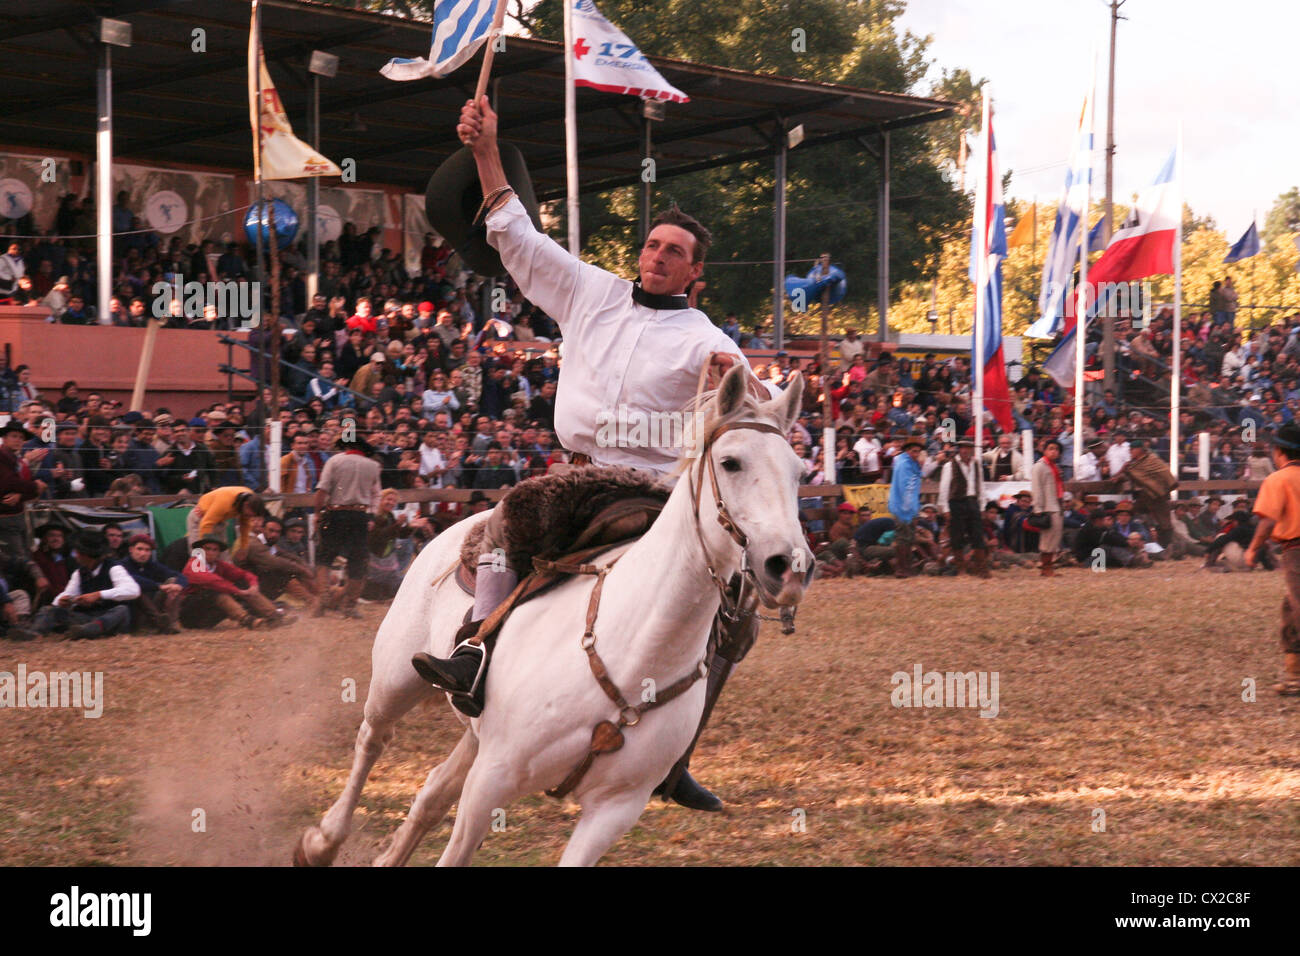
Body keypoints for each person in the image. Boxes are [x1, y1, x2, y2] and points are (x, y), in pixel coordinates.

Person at [412, 93, 775, 814]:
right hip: (578, 480)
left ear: (694, 273)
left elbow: (757, 407)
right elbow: (515, 234)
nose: (659, 256)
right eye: (653, 244)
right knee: (502, 526)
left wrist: (733, 389)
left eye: (675, 252)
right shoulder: (590, 292)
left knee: (740, 610)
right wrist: (487, 149)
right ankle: (474, 652)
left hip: (653, 497)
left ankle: (674, 760)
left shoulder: (706, 338)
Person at [1246, 423, 1300, 694]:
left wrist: (1253, 549)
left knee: (1298, 607)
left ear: (1279, 451)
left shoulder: (1278, 479)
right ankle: (1294, 676)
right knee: (1291, 609)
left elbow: (1267, 521)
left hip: (1296, 550)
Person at [312, 431, 381, 619]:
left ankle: (323, 598)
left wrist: (317, 512)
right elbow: (376, 494)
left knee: (324, 557)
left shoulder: (335, 461)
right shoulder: (373, 466)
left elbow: (323, 489)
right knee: (357, 560)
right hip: (360, 515)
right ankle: (349, 606)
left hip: (336, 512)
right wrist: (372, 516)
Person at [29, 530, 140, 640]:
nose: (75, 556)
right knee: (49, 610)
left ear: (87, 555)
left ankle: (90, 630)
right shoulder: (79, 573)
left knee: (122, 610)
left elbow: (133, 590)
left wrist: (99, 595)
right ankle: (34, 633)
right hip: (88, 618)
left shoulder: (113, 568)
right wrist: (61, 601)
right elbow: (69, 593)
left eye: (77, 552)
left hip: (111, 618)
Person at [182, 536, 288, 630]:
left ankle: (274, 616)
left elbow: (243, 574)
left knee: (244, 585)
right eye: (207, 549)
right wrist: (239, 591)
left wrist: (253, 585)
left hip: (208, 613)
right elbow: (212, 581)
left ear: (219, 553)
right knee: (215, 591)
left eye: (215, 550)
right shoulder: (194, 565)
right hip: (190, 615)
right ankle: (248, 621)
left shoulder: (219, 565)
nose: (211, 552)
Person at [936, 439, 988, 577]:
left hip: (972, 501)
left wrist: (982, 505)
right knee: (957, 536)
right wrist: (945, 508)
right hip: (956, 502)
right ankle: (961, 569)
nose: (965, 451)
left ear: (971, 449)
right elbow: (944, 488)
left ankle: (980, 568)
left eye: (968, 448)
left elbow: (980, 486)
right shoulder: (949, 466)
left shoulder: (977, 464)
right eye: (962, 448)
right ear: (959, 449)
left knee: (977, 535)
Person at [1112, 438, 1177, 547]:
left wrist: (1163, 488)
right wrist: (1120, 474)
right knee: (1131, 512)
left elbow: (1164, 473)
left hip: (1158, 495)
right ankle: (1138, 538)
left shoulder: (1152, 460)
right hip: (1145, 495)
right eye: (1130, 449)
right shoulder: (1134, 464)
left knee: (1164, 522)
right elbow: (1132, 473)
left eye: (1132, 449)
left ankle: (1165, 546)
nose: (1130, 451)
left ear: (1140, 450)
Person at [121, 533, 186, 634]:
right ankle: (158, 622)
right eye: (139, 549)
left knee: (173, 581)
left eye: (147, 550)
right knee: (135, 589)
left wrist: (179, 585)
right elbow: (131, 579)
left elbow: (179, 575)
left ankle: (171, 623)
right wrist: (159, 586)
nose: (143, 553)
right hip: (134, 612)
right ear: (131, 550)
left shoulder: (152, 565)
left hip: (153, 606)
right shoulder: (121, 565)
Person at [0, 421, 45, 558]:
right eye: (14, 436)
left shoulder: (15, 459)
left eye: (21, 437)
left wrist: (21, 495)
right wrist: (35, 487)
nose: (18, 440)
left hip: (16, 515)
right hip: (6, 517)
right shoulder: (2, 457)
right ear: (4, 438)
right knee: (18, 559)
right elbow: (8, 483)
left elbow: (20, 485)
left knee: (23, 555)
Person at [186, 486, 266, 554]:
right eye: (249, 515)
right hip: (200, 518)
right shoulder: (225, 502)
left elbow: (244, 525)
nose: (249, 517)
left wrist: (243, 549)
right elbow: (206, 524)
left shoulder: (249, 499)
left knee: (223, 556)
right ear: (246, 504)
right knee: (199, 555)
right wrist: (206, 547)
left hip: (219, 521)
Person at [887, 440, 924, 578]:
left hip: (904, 505)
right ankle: (902, 568)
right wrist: (909, 510)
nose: (916, 454)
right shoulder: (905, 465)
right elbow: (906, 488)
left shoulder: (906, 463)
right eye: (914, 451)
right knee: (904, 538)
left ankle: (905, 567)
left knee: (907, 538)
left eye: (918, 451)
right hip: (904, 506)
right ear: (907, 450)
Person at [1031, 440, 1065, 577]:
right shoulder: (1039, 466)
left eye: (1056, 449)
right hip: (1047, 507)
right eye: (1050, 448)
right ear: (1044, 450)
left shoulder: (1054, 466)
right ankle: (1046, 568)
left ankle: (1048, 566)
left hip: (1056, 505)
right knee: (1048, 539)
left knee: (1054, 539)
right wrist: (1038, 508)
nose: (1054, 451)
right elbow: (1036, 488)